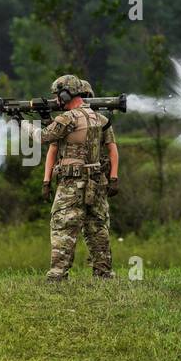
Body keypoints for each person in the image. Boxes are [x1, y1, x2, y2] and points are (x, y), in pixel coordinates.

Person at [40, 75, 120, 281]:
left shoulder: (69, 118)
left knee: (63, 225)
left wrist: (22, 125)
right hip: (96, 182)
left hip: (71, 184)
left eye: (58, 95)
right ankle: (103, 274)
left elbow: (46, 140)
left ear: (67, 94)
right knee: (98, 228)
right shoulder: (100, 120)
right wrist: (113, 178)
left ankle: (58, 274)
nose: (57, 99)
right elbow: (112, 149)